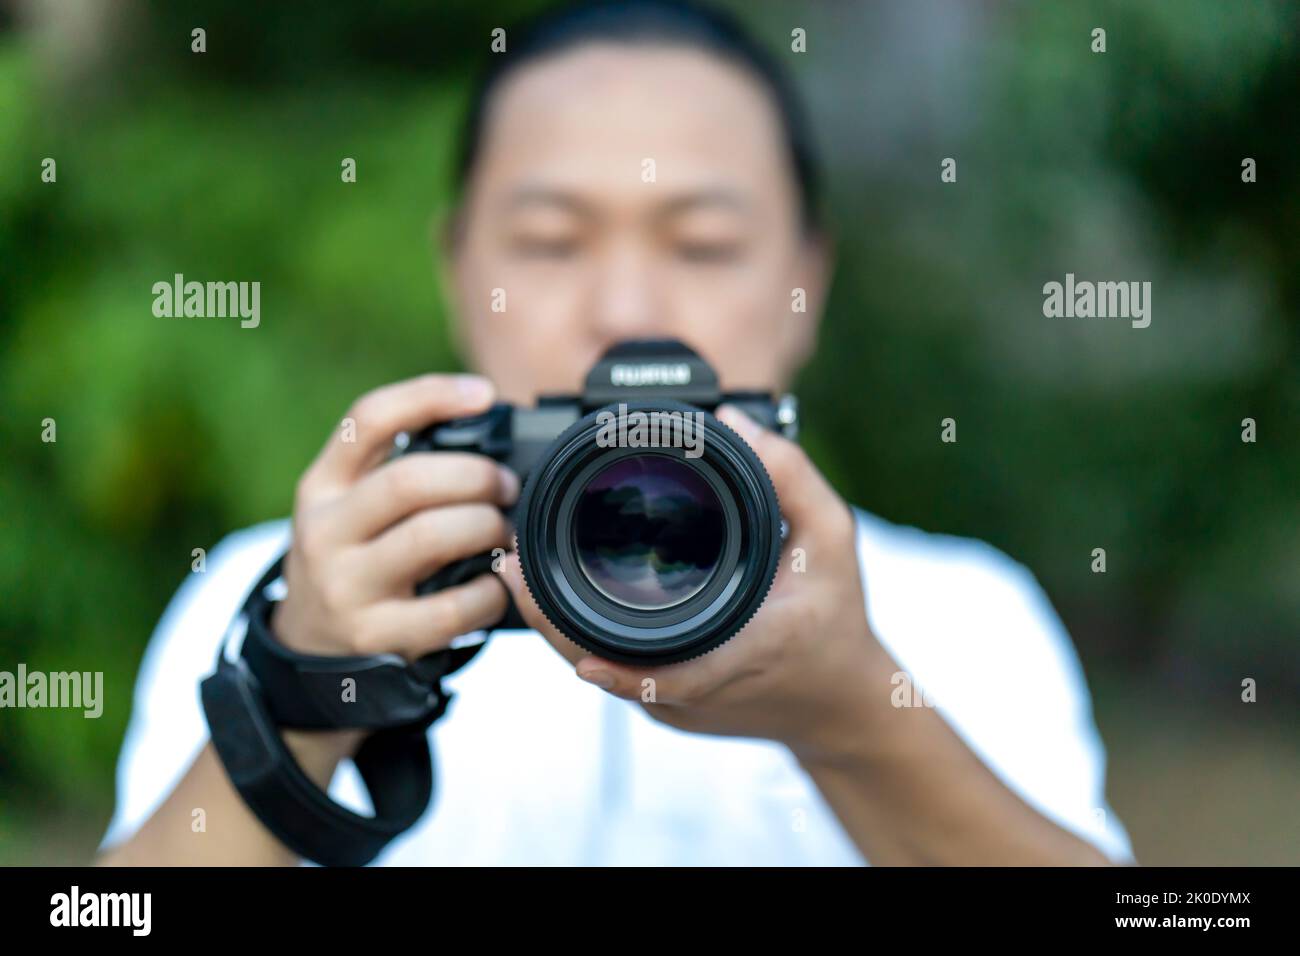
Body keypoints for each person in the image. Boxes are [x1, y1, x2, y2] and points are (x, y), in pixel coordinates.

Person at [99, 0, 1133, 866]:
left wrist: (854, 715)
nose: (628, 305)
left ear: (806, 282)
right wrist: (303, 692)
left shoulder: (960, 618)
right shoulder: (292, 595)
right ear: (458, 268)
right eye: (550, 241)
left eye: (704, 242)